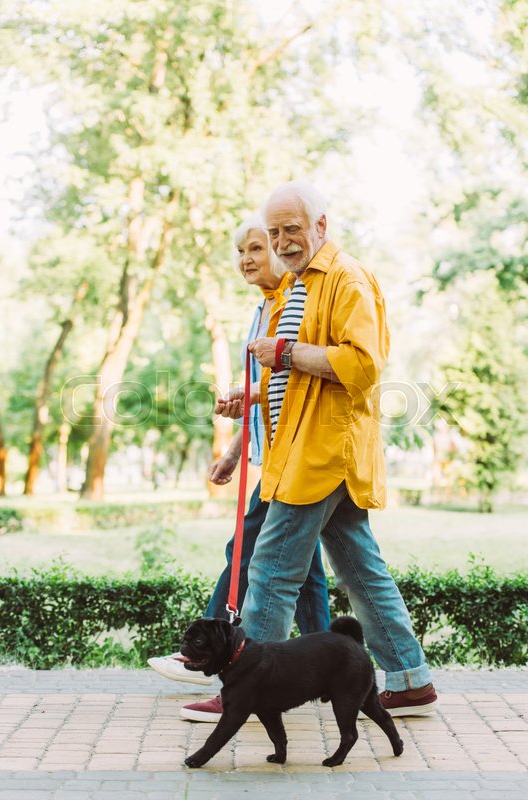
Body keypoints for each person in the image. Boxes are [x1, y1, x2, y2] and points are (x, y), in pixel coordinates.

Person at [183, 181, 438, 722]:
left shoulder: (346, 279)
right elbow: (298, 378)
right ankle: (411, 679)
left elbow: (363, 365)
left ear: (321, 225)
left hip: (321, 454)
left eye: (291, 230)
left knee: (270, 572)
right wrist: (252, 393)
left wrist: (286, 351)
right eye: (273, 233)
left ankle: (245, 689)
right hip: (304, 453)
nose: (282, 242)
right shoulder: (299, 285)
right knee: (361, 572)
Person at [148, 214, 331, 714]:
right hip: (273, 457)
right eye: (243, 251)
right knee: (307, 570)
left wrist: (247, 401)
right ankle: (335, 662)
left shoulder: (294, 305)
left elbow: (293, 383)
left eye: (259, 247)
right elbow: (264, 395)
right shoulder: (262, 311)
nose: (248, 259)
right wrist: (234, 450)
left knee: (248, 549)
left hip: (298, 458)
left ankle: (202, 653)